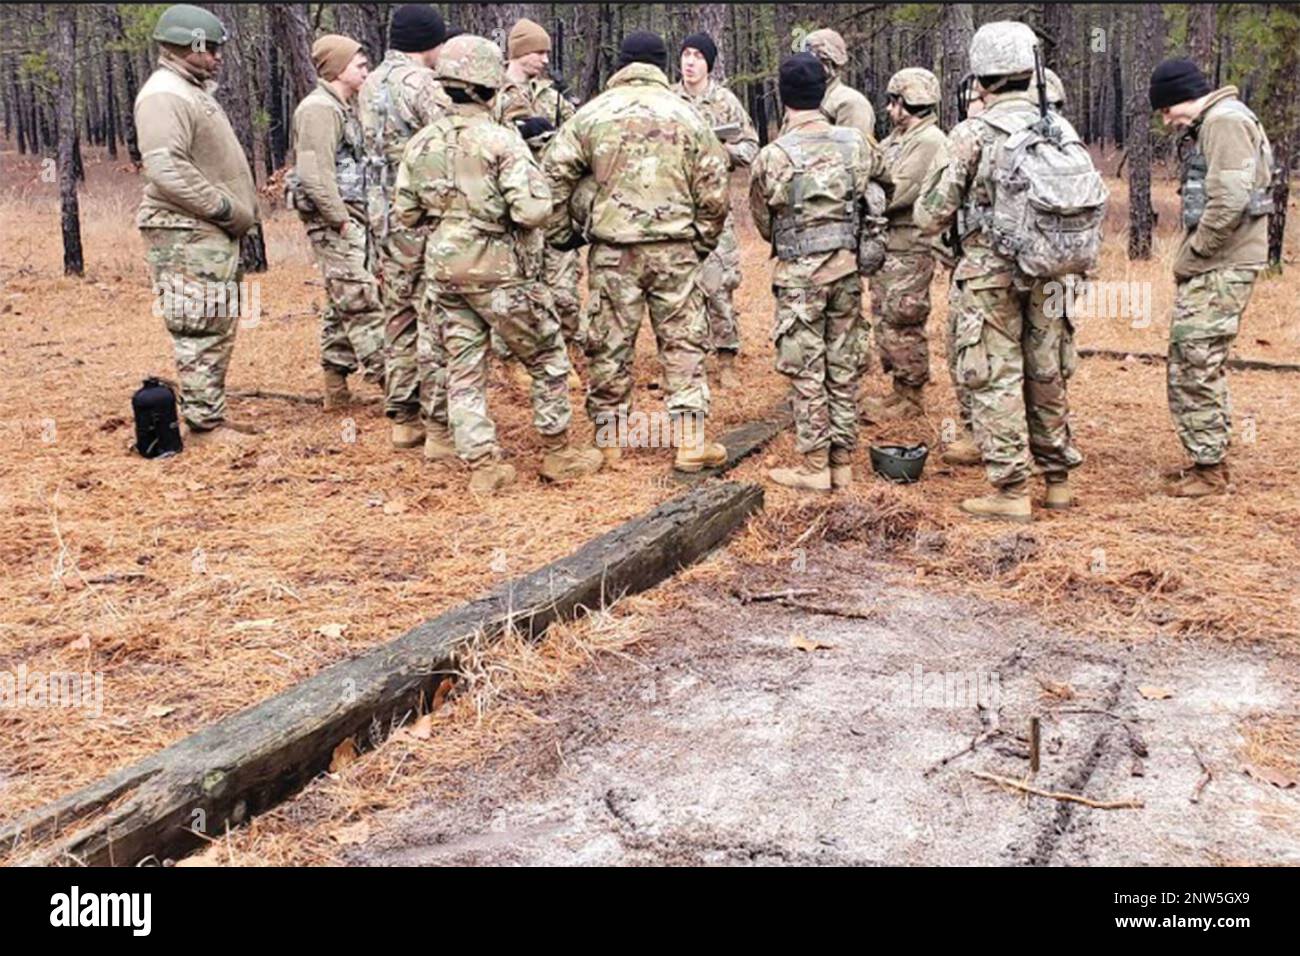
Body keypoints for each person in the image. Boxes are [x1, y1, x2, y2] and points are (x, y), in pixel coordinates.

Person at [393, 34, 603, 494]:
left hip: (444, 270)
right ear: (490, 86)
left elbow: (406, 213)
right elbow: (531, 211)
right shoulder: (501, 141)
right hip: (499, 271)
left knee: (463, 365)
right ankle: (558, 451)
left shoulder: (421, 143)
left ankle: (482, 461)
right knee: (547, 355)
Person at [915, 21, 1085, 521]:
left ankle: (1010, 490)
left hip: (992, 273)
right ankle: (1057, 481)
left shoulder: (972, 132)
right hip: (1052, 269)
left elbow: (930, 211)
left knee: (995, 375)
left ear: (981, 76)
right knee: (1047, 369)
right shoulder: (1057, 127)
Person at [543, 31, 732, 473]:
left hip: (613, 251)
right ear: (661, 66)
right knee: (683, 342)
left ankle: (609, 443)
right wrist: (700, 241)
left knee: (608, 346)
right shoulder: (687, 115)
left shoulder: (591, 115)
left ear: (622, 66)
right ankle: (689, 442)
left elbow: (552, 175)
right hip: (675, 248)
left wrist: (564, 235)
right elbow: (715, 189)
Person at [135, 3, 258, 445]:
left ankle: (211, 415)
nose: (220, 55)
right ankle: (205, 426)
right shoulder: (165, 93)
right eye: (214, 48)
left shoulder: (188, 90)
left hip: (201, 230)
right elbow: (165, 168)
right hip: (186, 230)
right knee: (198, 323)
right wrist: (223, 208)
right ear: (194, 44)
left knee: (216, 321)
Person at [1149, 58, 1273, 497]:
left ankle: (1210, 471)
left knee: (1195, 361)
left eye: (1167, 109)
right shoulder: (1223, 120)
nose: (1169, 120)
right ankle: (1206, 459)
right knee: (1197, 359)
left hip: (1222, 262)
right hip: (1223, 262)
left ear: (1184, 95)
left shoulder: (1223, 123)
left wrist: (1195, 252)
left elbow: (1229, 200)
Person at [750, 53, 874, 492]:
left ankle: (814, 465)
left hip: (800, 278)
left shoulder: (773, 155)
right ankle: (842, 461)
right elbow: (873, 193)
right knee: (843, 366)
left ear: (783, 97)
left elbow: (763, 221)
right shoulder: (855, 144)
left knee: (807, 371)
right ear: (824, 93)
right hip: (845, 269)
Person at [357, 3, 448, 452]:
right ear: (430, 42)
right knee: (433, 315)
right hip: (421, 215)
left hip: (382, 216)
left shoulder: (369, 82)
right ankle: (438, 422)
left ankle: (402, 416)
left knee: (398, 314)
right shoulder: (423, 84)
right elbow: (450, 140)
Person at [290, 34, 386, 408]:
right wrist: (340, 221)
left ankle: (336, 388)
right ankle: (398, 392)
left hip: (349, 218)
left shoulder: (341, 107)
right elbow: (314, 175)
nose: (366, 71)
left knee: (341, 301)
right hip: (336, 221)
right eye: (359, 65)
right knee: (360, 298)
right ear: (337, 68)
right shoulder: (318, 109)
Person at [492, 18, 583, 387]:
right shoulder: (494, 92)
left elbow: (576, 137)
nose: (545, 59)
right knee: (516, 288)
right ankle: (512, 360)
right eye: (538, 52)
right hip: (514, 205)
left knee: (563, 286)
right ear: (519, 52)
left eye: (547, 52)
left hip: (553, 205)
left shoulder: (552, 96)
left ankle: (565, 352)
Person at [859, 68, 949, 424]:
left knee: (904, 317)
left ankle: (911, 396)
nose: (889, 109)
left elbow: (897, 189)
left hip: (909, 245)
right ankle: (899, 389)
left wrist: (866, 195)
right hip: (890, 245)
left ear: (909, 102)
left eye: (894, 102)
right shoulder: (900, 138)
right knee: (887, 316)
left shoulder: (928, 141)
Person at [671, 31, 759, 390]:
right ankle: (685, 363)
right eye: (685, 54)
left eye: (698, 56)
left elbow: (751, 147)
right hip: (676, 206)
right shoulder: (668, 99)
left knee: (719, 283)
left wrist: (723, 152)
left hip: (714, 208)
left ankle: (726, 359)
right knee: (677, 288)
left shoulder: (724, 101)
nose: (690, 62)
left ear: (709, 62)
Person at [800, 28, 878, 147]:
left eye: (810, 61)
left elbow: (854, 155)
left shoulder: (850, 103)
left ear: (829, 63)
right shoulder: (802, 101)